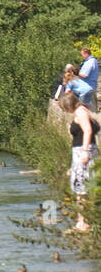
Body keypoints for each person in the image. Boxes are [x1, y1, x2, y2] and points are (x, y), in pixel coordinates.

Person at [60, 89, 96, 232]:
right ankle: (82, 221)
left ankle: (83, 222)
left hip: (83, 152)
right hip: (80, 153)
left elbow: (87, 131)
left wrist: (85, 153)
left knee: (81, 189)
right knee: (81, 189)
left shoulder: (81, 113)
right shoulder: (82, 110)